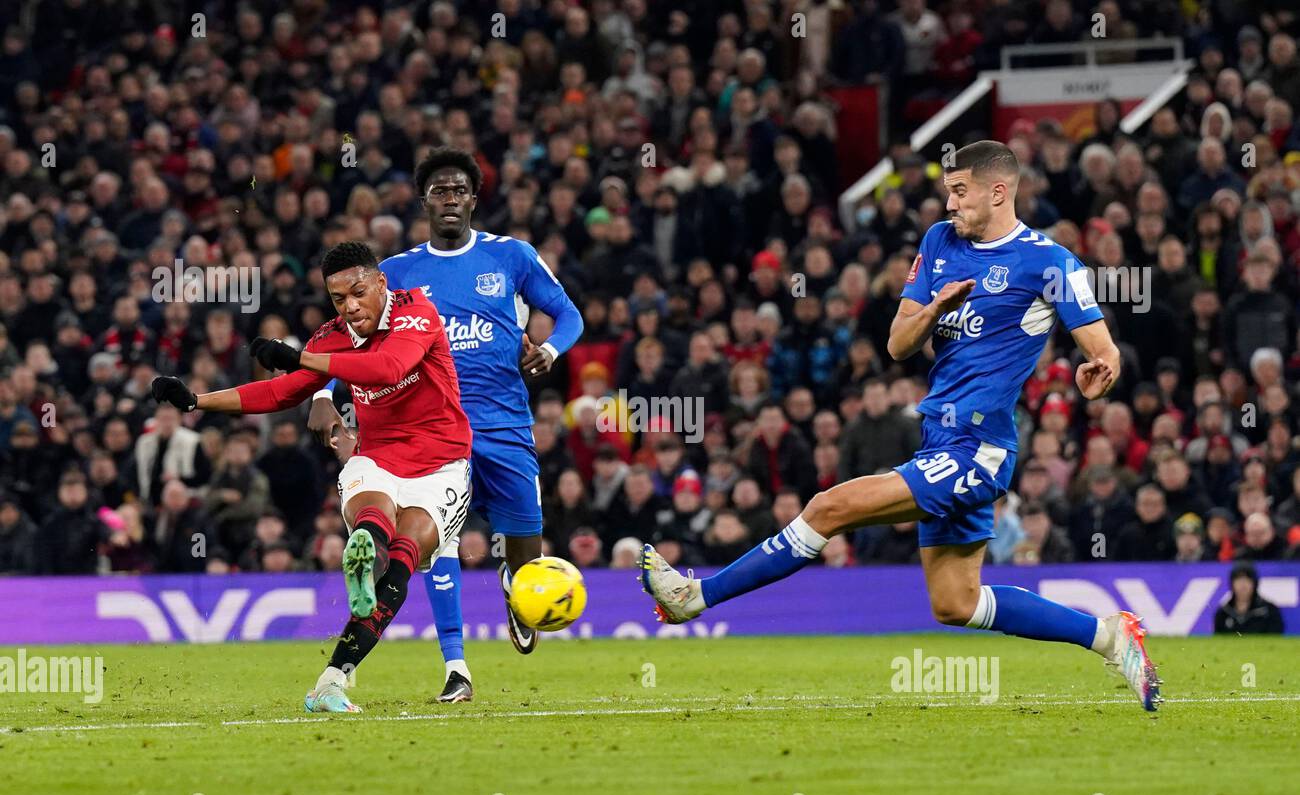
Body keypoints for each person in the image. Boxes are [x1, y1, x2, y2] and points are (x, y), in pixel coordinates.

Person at [639, 141, 1163, 711]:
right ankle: (1109, 636)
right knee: (955, 603)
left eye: (959, 191)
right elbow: (896, 344)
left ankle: (693, 598)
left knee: (827, 508)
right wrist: (934, 308)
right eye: (947, 190)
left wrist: (1100, 372)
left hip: (978, 447)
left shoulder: (1049, 262)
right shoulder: (939, 243)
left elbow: (1102, 347)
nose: (949, 201)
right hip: (939, 436)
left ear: (998, 191)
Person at [306, 148, 584, 702]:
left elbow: (570, 313)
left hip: (503, 425)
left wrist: (551, 350)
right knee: (435, 544)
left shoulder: (513, 256)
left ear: (474, 199)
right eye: (440, 190)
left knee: (525, 547)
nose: (450, 198)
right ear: (425, 200)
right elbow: (348, 334)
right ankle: (457, 668)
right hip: (427, 433)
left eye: (460, 189)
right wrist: (321, 389)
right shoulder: (398, 272)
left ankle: (517, 588)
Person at [152, 241, 472, 713]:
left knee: (405, 560)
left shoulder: (415, 312)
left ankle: (331, 679)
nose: (351, 306)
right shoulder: (332, 335)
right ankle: (365, 546)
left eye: (359, 293)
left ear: (381, 282)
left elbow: (389, 368)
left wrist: (301, 359)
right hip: (377, 455)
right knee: (375, 515)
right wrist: (198, 401)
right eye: (339, 299)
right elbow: (280, 393)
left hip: (442, 462)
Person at [1214, 562, 1284, 633]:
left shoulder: (1268, 611)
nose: (1243, 585)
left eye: (1247, 580)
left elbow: (1276, 637)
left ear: (1255, 583)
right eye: (1238, 580)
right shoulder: (1223, 613)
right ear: (1232, 583)